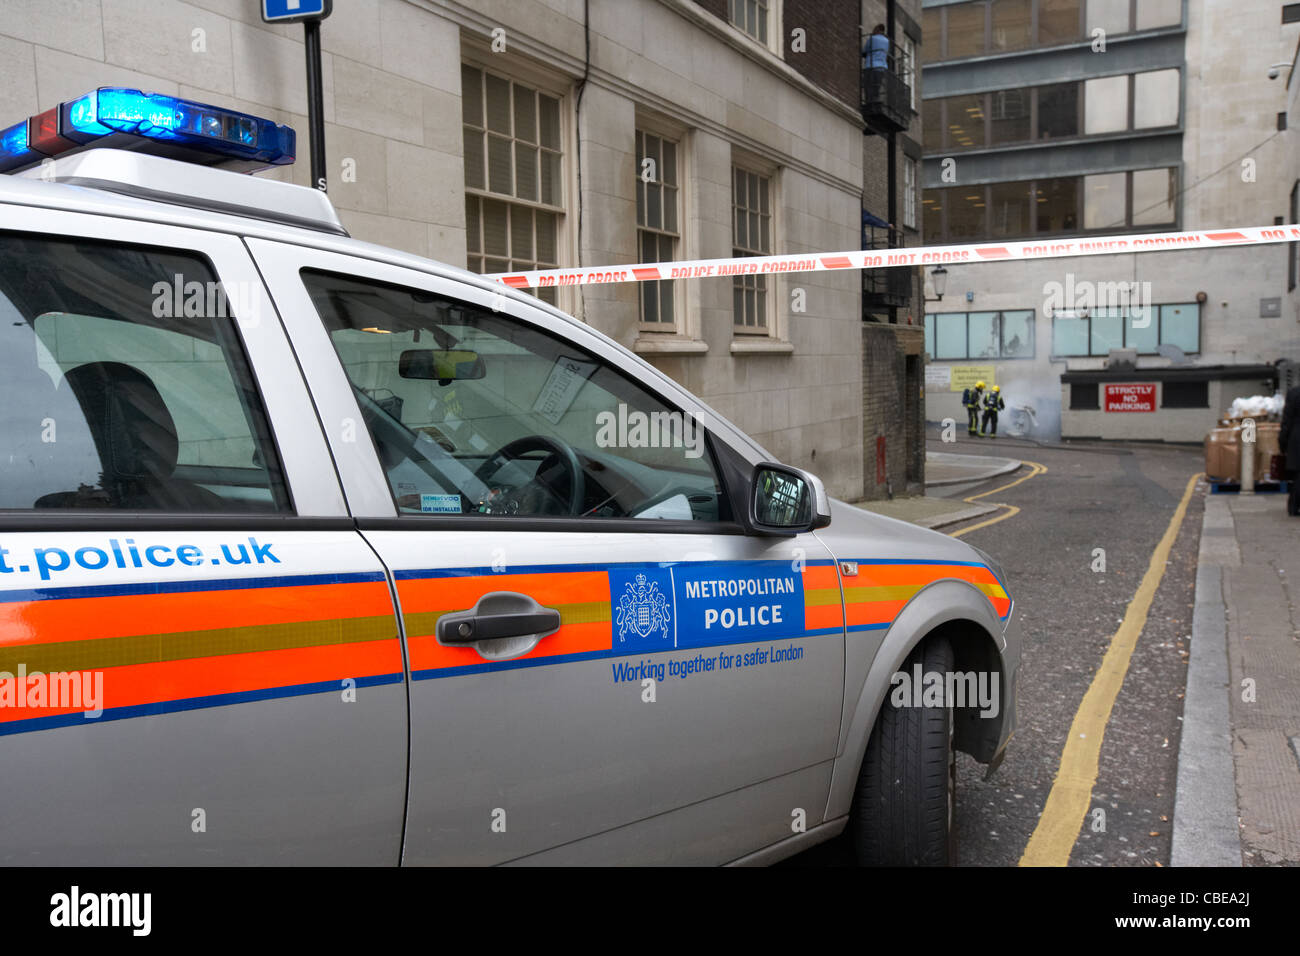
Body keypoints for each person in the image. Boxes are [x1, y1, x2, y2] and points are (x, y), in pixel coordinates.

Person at [1280, 383, 1300, 516]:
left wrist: (1282, 442)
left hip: (1296, 437)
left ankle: (1294, 506)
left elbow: (1287, 420)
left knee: (1298, 475)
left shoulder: (1294, 393)